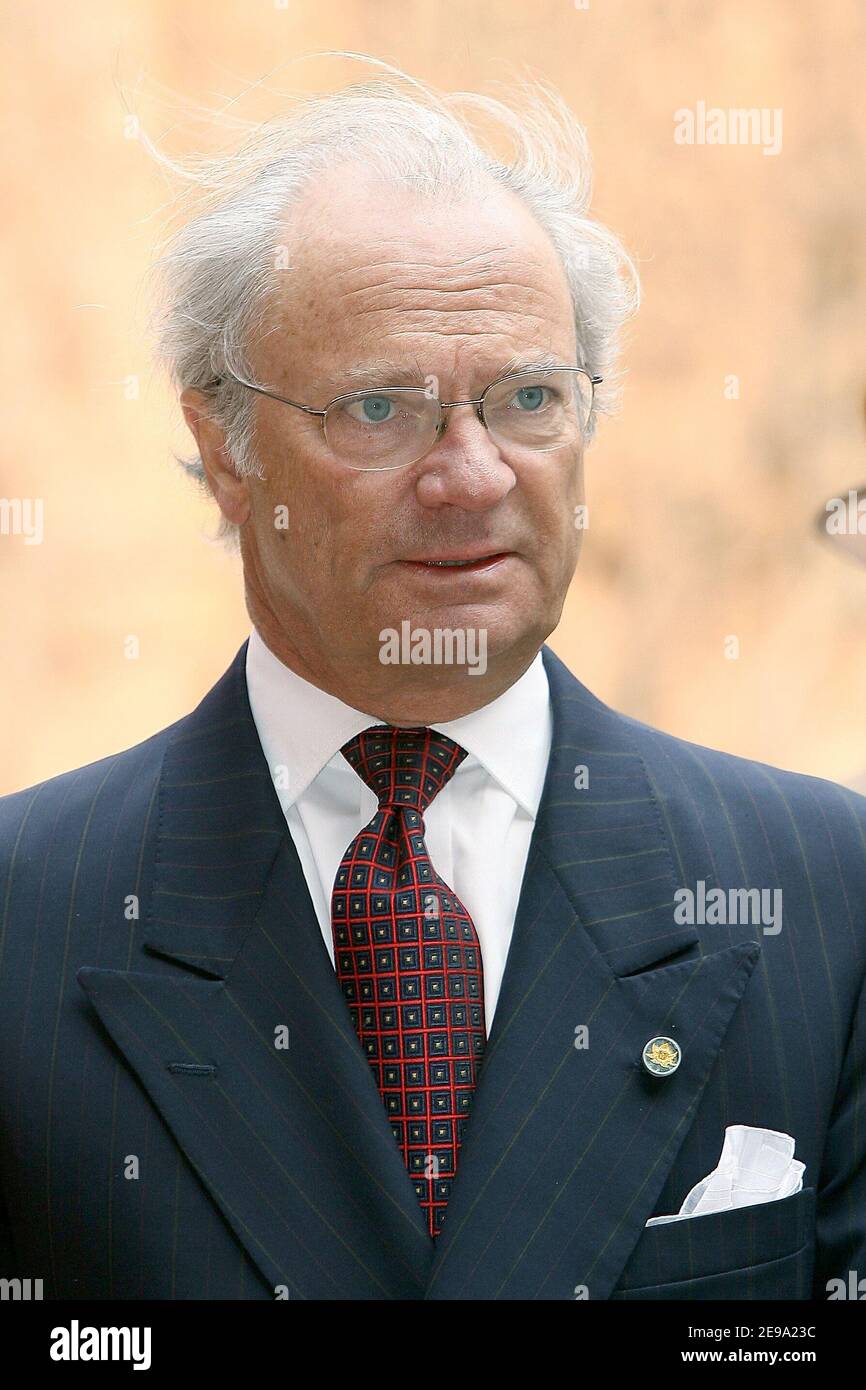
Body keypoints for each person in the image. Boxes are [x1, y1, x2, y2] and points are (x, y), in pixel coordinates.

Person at [1, 68, 864, 1301]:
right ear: (223, 449)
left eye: (525, 399)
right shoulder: (26, 920)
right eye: (378, 408)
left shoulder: (821, 893)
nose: (471, 476)